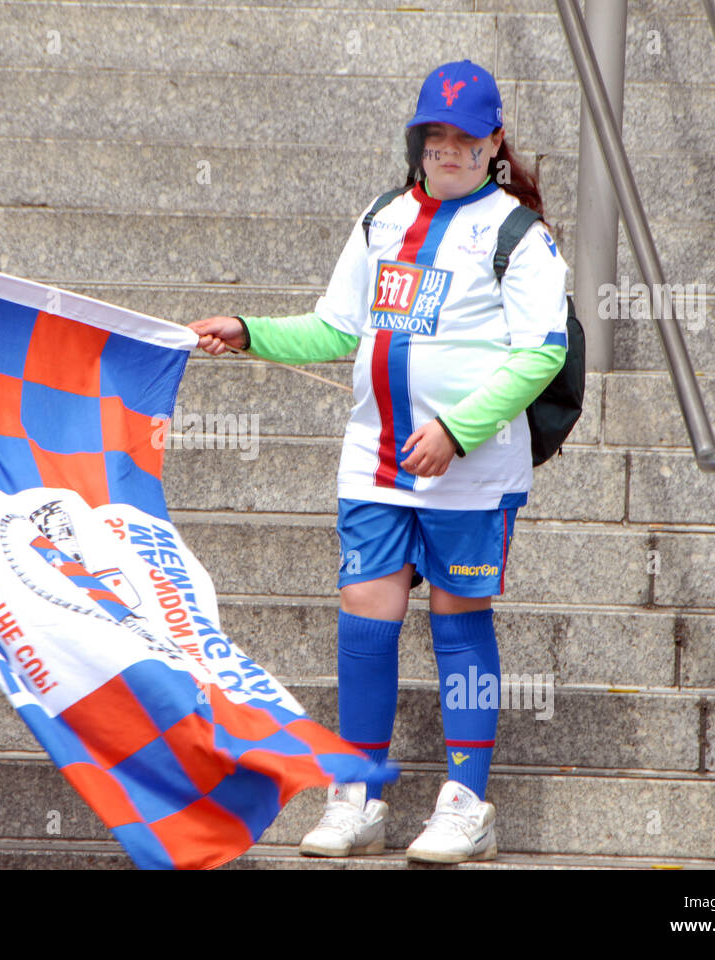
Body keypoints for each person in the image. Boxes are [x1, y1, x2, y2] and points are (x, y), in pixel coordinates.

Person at [188, 60, 568, 863]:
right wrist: (250, 331)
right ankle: (357, 794)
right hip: (374, 462)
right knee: (366, 622)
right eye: (437, 137)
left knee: (459, 624)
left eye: (467, 138)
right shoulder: (383, 218)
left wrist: (458, 432)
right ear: (418, 140)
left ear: (495, 142)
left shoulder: (518, 235)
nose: (450, 151)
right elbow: (335, 329)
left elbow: (542, 354)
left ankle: (466, 802)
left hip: (470, 469)